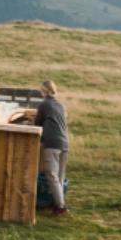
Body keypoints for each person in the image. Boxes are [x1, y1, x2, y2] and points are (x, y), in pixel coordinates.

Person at [36, 79, 70, 216]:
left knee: (52, 175)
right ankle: (57, 204)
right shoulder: (60, 105)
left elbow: (37, 124)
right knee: (59, 177)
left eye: (41, 91)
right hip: (64, 143)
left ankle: (61, 207)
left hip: (52, 144)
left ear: (44, 91)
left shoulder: (44, 104)